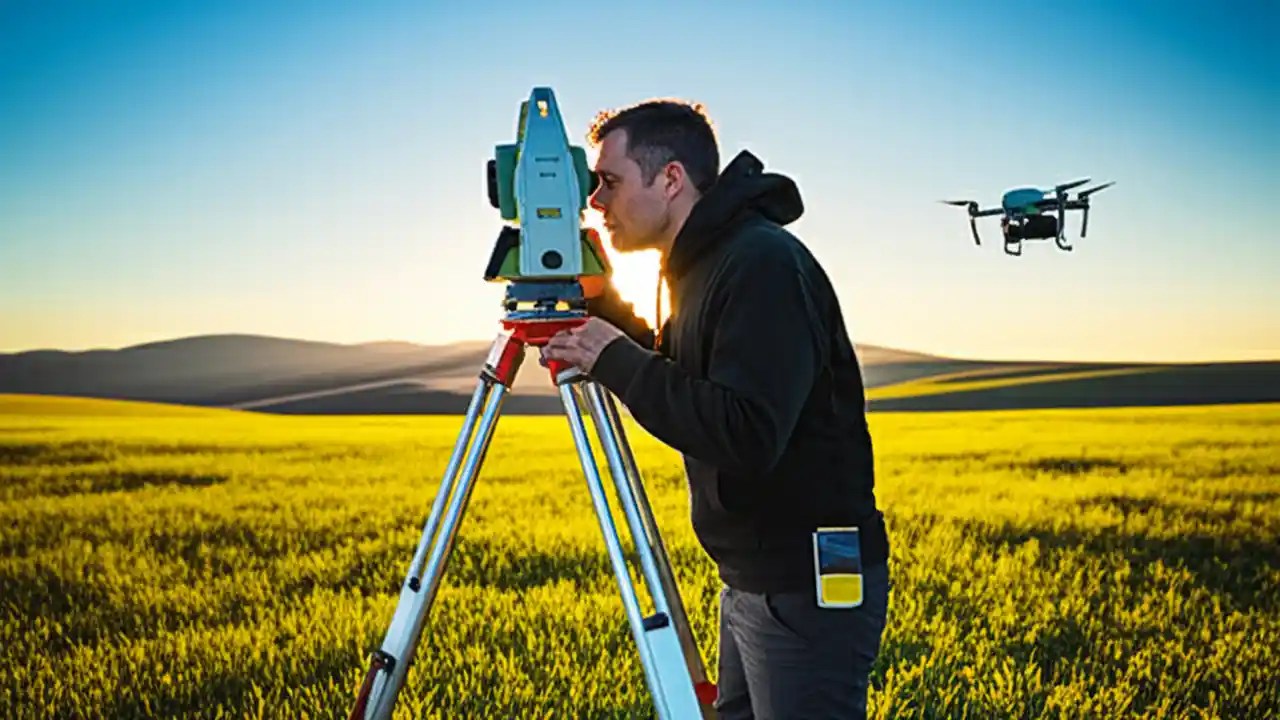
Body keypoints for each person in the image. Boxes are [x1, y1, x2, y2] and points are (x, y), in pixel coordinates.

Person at [540, 98, 891, 720]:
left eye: (610, 182)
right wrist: (601, 307)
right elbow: (683, 379)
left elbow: (745, 432)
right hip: (756, 577)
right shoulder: (700, 266)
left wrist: (614, 360)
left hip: (805, 582)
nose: (594, 201)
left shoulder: (761, 264)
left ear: (670, 179)